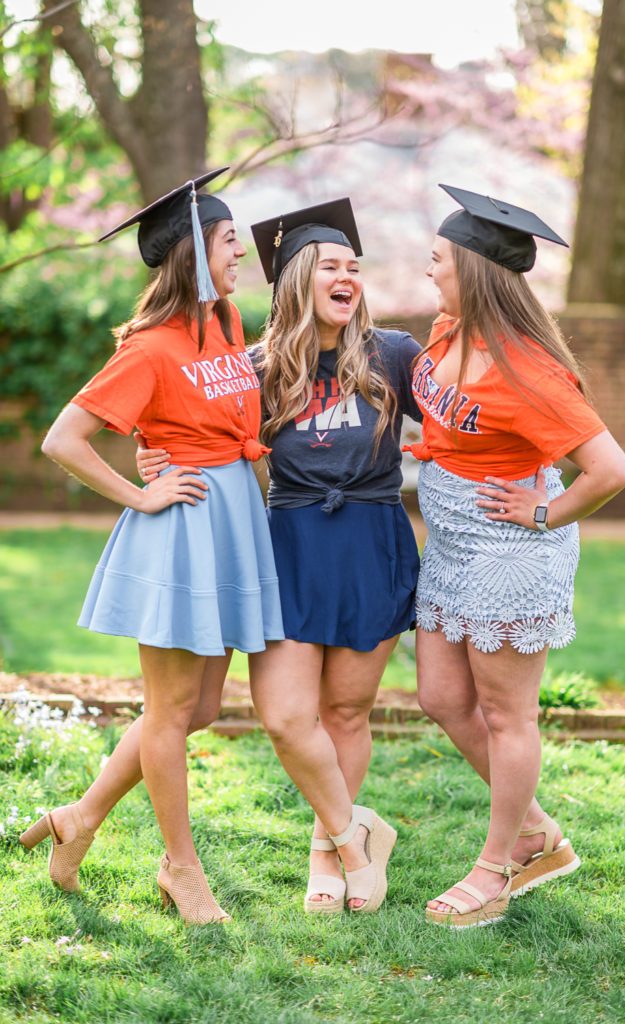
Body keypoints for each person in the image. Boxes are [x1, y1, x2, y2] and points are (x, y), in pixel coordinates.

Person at [138, 198, 423, 913]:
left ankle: (326, 856)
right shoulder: (254, 366)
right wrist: (152, 456)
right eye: (331, 265)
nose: (346, 277)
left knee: (348, 711)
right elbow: (187, 419)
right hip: (289, 545)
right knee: (288, 715)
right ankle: (355, 835)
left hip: (371, 541)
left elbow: (466, 416)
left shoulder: (392, 353)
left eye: (354, 267)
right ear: (299, 278)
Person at [20, 169, 283, 926]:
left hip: (232, 520)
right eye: (231, 242)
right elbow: (63, 439)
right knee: (169, 710)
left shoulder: (228, 323)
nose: (242, 255)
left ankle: (81, 816)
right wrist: (142, 491)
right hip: (183, 530)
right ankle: (181, 867)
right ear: (196, 254)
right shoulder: (151, 348)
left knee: (197, 706)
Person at [403, 185, 625, 928]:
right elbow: (453, 415)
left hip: (509, 550)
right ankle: (537, 833)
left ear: (470, 268)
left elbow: (611, 469)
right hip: (451, 542)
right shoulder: (445, 331)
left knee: (506, 715)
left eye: (438, 259)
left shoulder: (528, 370)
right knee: (440, 696)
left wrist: (544, 510)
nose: (428, 270)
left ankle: (500, 864)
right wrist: (435, 451)